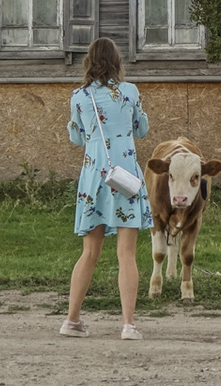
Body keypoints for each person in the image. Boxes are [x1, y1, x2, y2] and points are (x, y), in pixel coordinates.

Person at [60, 37, 151, 341]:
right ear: (116, 61)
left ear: (88, 61)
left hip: (93, 177)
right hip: (124, 175)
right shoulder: (129, 92)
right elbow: (141, 129)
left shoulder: (79, 96)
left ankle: (72, 321)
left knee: (89, 252)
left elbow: (77, 138)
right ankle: (128, 324)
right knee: (126, 254)